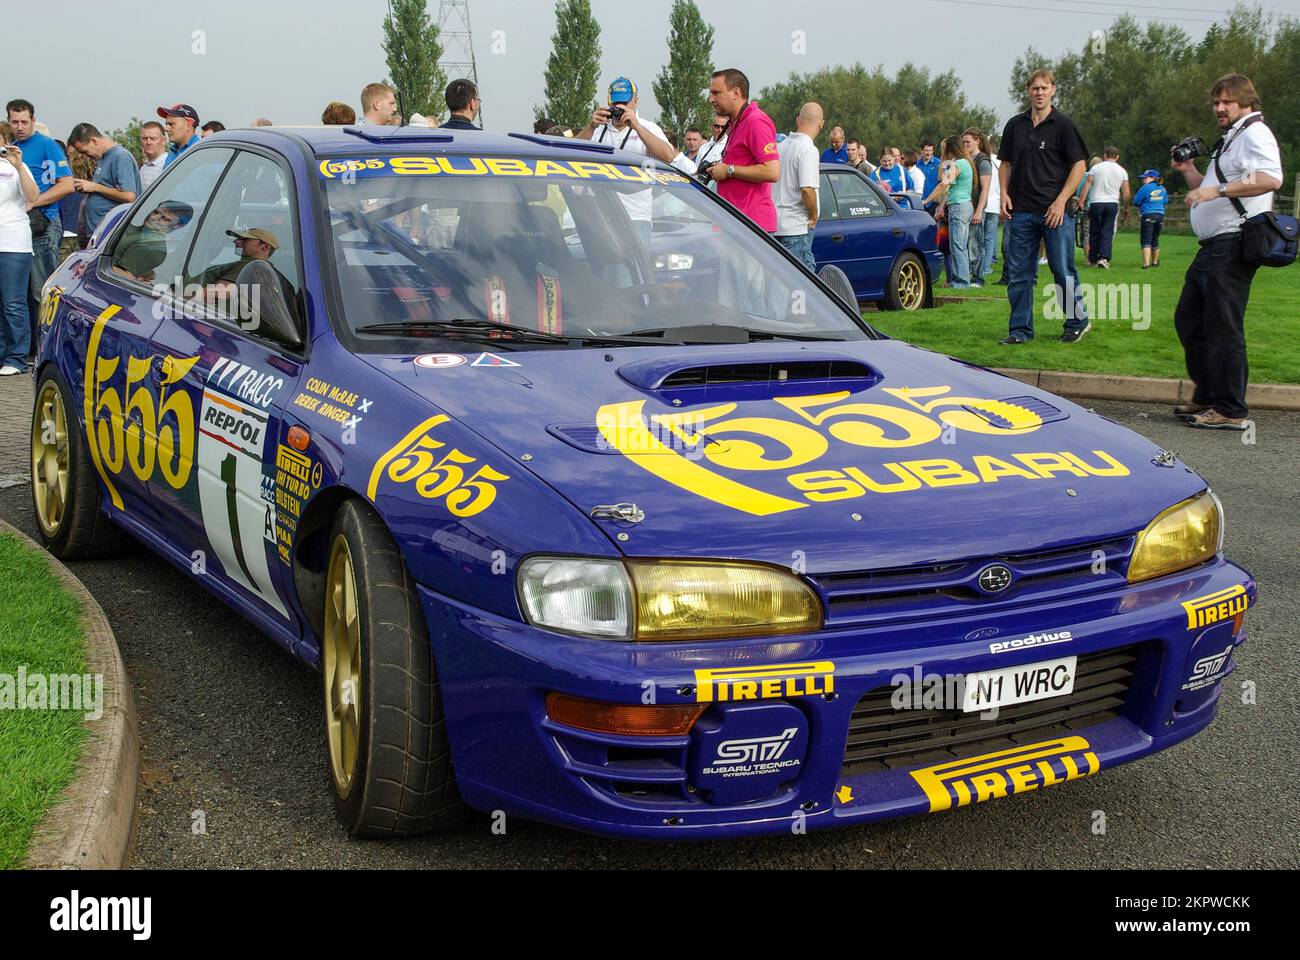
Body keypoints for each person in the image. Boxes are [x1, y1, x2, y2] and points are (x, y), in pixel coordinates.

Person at [1172, 73, 1283, 431]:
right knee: (1190, 320)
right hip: (1213, 245)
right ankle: (1208, 394)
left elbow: (1270, 178)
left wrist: (1217, 191)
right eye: (1216, 102)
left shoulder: (1254, 133)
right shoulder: (1232, 137)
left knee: (1223, 328)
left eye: (1227, 102)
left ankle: (1231, 408)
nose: (1219, 108)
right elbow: (1206, 187)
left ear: (1246, 102)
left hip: (1234, 242)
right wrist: (1191, 172)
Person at [997, 69, 1090, 345]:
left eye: (1044, 88)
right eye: (1034, 88)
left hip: (1055, 212)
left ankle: (1077, 321)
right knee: (1019, 275)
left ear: (1053, 90)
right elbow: (1005, 163)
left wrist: (1061, 201)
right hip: (1022, 211)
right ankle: (1020, 331)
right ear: (1028, 91)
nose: (1039, 92)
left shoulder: (1064, 125)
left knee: (1061, 269)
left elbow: (1079, 165)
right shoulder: (1015, 125)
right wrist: (1003, 193)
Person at [7, 99, 72, 350]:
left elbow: (66, 184)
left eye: (25, 121)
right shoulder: (10, 148)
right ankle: (29, 346)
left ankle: (51, 345)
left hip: (43, 223)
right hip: (16, 227)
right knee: (19, 293)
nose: (20, 126)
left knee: (41, 289)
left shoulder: (47, 145)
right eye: (15, 122)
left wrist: (35, 202)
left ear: (33, 120)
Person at [576, 77, 671, 246]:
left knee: (631, 271)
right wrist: (590, 127)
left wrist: (637, 127)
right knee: (602, 271)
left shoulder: (647, 127)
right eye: (615, 104)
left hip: (635, 215)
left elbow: (668, 156)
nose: (619, 109)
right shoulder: (598, 129)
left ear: (636, 101)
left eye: (624, 104)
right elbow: (571, 152)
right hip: (599, 216)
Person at [706, 68, 780, 233]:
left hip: (751, 227)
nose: (711, 99)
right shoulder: (736, 122)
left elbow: (772, 172)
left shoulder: (755, 121)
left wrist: (729, 170)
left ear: (736, 93)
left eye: (716, 93)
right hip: (735, 224)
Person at [0, 128, 39, 375]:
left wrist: (19, 165)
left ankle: (16, 357)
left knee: (13, 301)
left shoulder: (13, 167)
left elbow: (33, 195)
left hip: (12, 242)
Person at [197, 227, 297, 317]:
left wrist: (183, 300)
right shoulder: (282, 280)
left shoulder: (250, 267)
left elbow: (216, 293)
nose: (236, 241)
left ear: (265, 247)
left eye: (244, 239)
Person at [66, 123, 140, 237]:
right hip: (98, 232)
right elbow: (107, 189)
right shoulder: (103, 157)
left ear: (94, 141)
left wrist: (94, 187)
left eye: (85, 151)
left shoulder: (120, 156)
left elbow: (129, 196)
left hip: (111, 233)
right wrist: (88, 189)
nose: (86, 156)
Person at [774, 102, 823, 272]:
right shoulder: (808, 149)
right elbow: (807, 189)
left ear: (797, 120)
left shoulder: (781, 146)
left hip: (776, 224)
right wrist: (813, 215)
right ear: (821, 124)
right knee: (801, 281)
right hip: (796, 227)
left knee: (778, 277)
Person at [924, 136, 976, 288]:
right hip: (963, 206)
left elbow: (943, 184)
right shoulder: (965, 162)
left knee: (957, 246)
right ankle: (962, 279)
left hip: (959, 208)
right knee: (959, 246)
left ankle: (962, 281)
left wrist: (926, 201)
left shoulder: (959, 164)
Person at [110, 201, 193, 283]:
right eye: (155, 212)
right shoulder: (136, 230)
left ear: (178, 226)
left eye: (164, 218)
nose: (153, 217)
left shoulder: (153, 247)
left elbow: (124, 276)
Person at [1084, 146, 1130, 268]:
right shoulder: (1122, 171)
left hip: (1096, 202)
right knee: (1107, 231)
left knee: (1094, 230)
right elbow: (1126, 192)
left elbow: (1088, 183)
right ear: (1117, 157)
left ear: (1105, 155)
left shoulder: (1096, 168)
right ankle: (1103, 258)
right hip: (1112, 203)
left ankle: (1092, 257)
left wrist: (1081, 200)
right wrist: (1126, 208)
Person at [962, 128, 994, 286]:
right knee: (964, 244)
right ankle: (965, 275)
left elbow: (985, 188)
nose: (965, 144)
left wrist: (979, 211)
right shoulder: (965, 159)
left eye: (968, 141)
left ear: (977, 141)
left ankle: (978, 278)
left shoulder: (983, 161)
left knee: (975, 245)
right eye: (963, 142)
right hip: (964, 207)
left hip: (975, 208)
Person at [976, 140, 1002, 283]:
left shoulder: (980, 161)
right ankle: (986, 266)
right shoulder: (999, 162)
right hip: (995, 203)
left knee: (979, 237)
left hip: (983, 203)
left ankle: (979, 267)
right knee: (990, 237)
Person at [1132, 169, 1167, 269]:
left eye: (1145, 178)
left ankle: (1146, 264)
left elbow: (1136, 201)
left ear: (1153, 178)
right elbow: (1165, 201)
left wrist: (1145, 204)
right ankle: (1155, 262)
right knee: (1155, 238)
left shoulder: (1145, 188)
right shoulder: (1163, 189)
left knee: (1146, 239)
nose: (1143, 180)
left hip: (1147, 215)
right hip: (1160, 216)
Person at [139, 121, 168, 189]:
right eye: (144, 138)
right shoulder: (143, 169)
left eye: (153, 138)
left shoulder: (169, 165)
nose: (148, 142)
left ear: (164, 141)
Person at [916, 140, 940, 211]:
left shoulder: (939, 163)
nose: (929, 153)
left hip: (934, 202)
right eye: (926, 150)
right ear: (921, 151)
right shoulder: (916, 164)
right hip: (919, 201)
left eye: (931, 150)